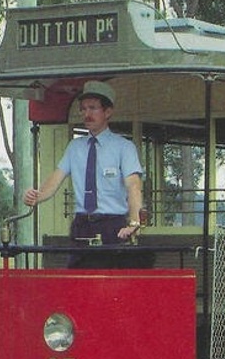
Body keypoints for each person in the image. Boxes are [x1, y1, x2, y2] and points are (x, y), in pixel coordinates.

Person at [23, 81, 143, 265]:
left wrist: (134, 222)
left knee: (110, 285)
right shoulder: (74, 147)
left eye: (93, 108)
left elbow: (133, 185)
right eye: (84, 109)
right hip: (82, 226)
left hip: (112, 226)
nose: (87, 114)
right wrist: (35, 196)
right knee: (77, 283)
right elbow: (56, 178)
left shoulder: (124, 147)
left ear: (108, 112)